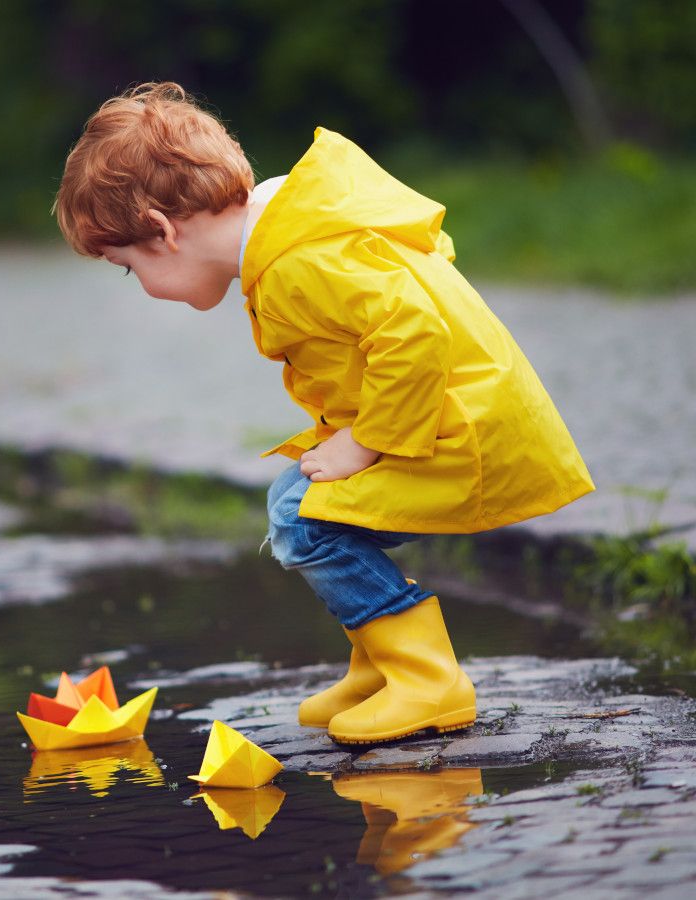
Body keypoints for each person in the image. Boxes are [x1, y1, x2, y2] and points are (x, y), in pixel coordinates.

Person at [52, 82, 596, 745]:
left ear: (163, 231)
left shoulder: (298, 258)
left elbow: (416, 334)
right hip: (448, 417)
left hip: (465, 431)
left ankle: (426, 679)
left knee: (303, 518)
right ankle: (381, 666)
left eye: (127, 266)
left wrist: (365, 440)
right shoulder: (294, 229)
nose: (139, 285)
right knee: (298, 501)